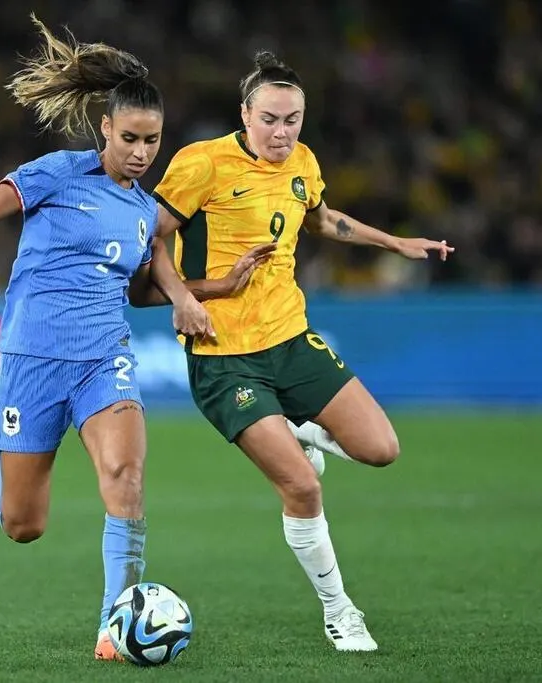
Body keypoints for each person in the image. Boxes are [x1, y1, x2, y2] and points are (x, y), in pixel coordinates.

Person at [0, 16, 225, 662]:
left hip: (103, 360)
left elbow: (144, 280)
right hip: (31, 360)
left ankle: (116, 622)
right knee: (23, 526)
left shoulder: (143, 211)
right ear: (105, 129)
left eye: (154, 141)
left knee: (126, 476)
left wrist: (195, 294)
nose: (142, 153)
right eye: (132, 138)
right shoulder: (56, 173)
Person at [138, 50, 455, 652]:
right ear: (245, 113)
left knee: (382, 449)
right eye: (270, 120)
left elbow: (322, 218)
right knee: (303, 490)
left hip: (291, 338)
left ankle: (302, 431)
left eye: (293, 120)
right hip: (222, 353)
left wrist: (394, 243)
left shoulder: (303, 162)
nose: (282, 133)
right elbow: (152, 236)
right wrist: (180, 296)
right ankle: (341, 611)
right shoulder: (200, 163)